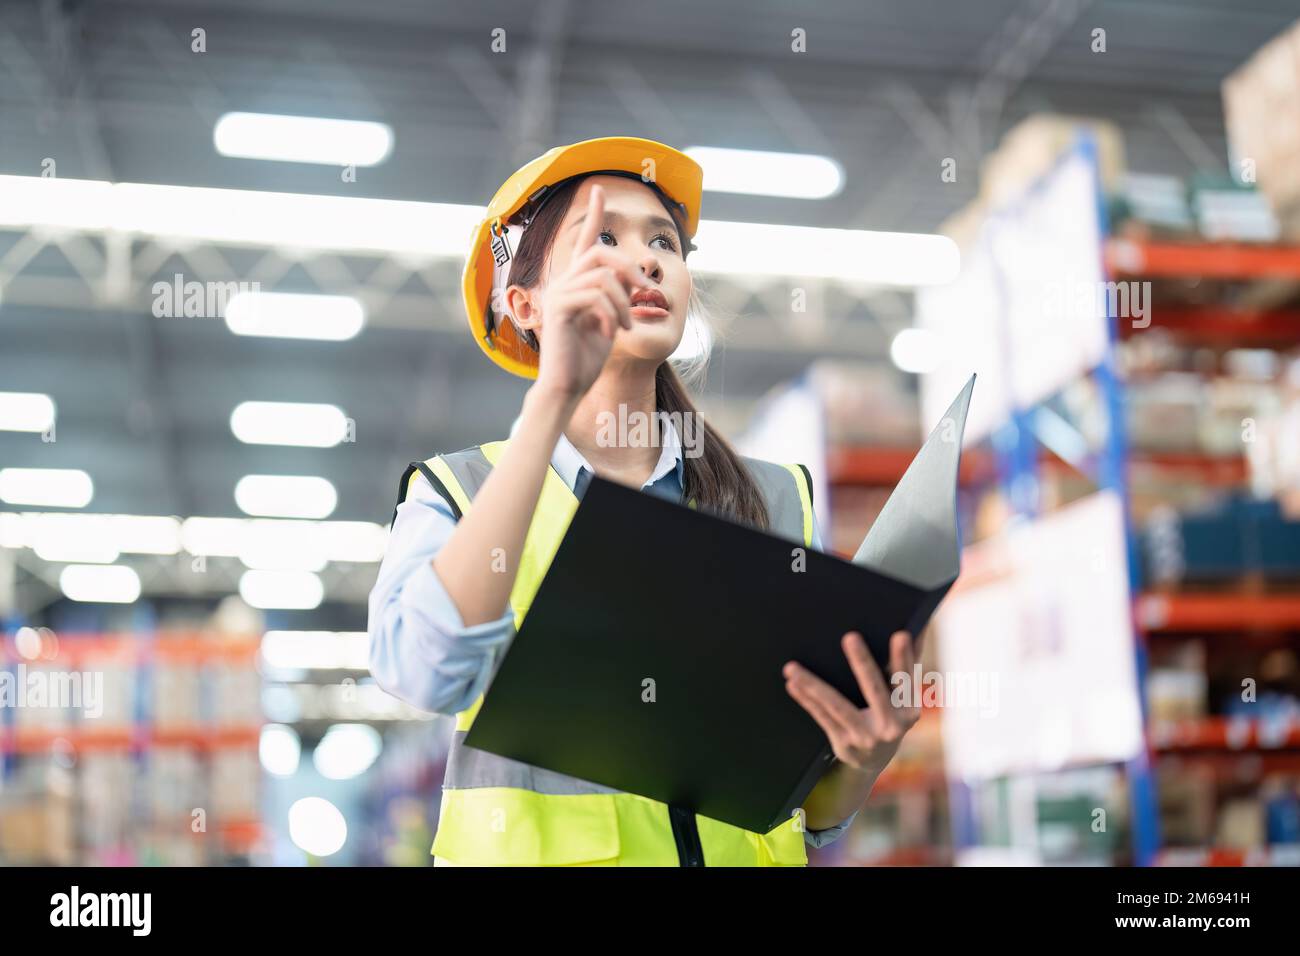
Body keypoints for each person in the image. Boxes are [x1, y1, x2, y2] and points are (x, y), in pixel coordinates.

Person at [368, 136, 925, 866]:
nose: (647, 259)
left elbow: (802, 808)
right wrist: (552, 399)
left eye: (663, 240)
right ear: (525, 303)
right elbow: (421, 671)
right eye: (603, 238)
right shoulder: (459, 494)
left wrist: (864, 757)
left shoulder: (776, 498)